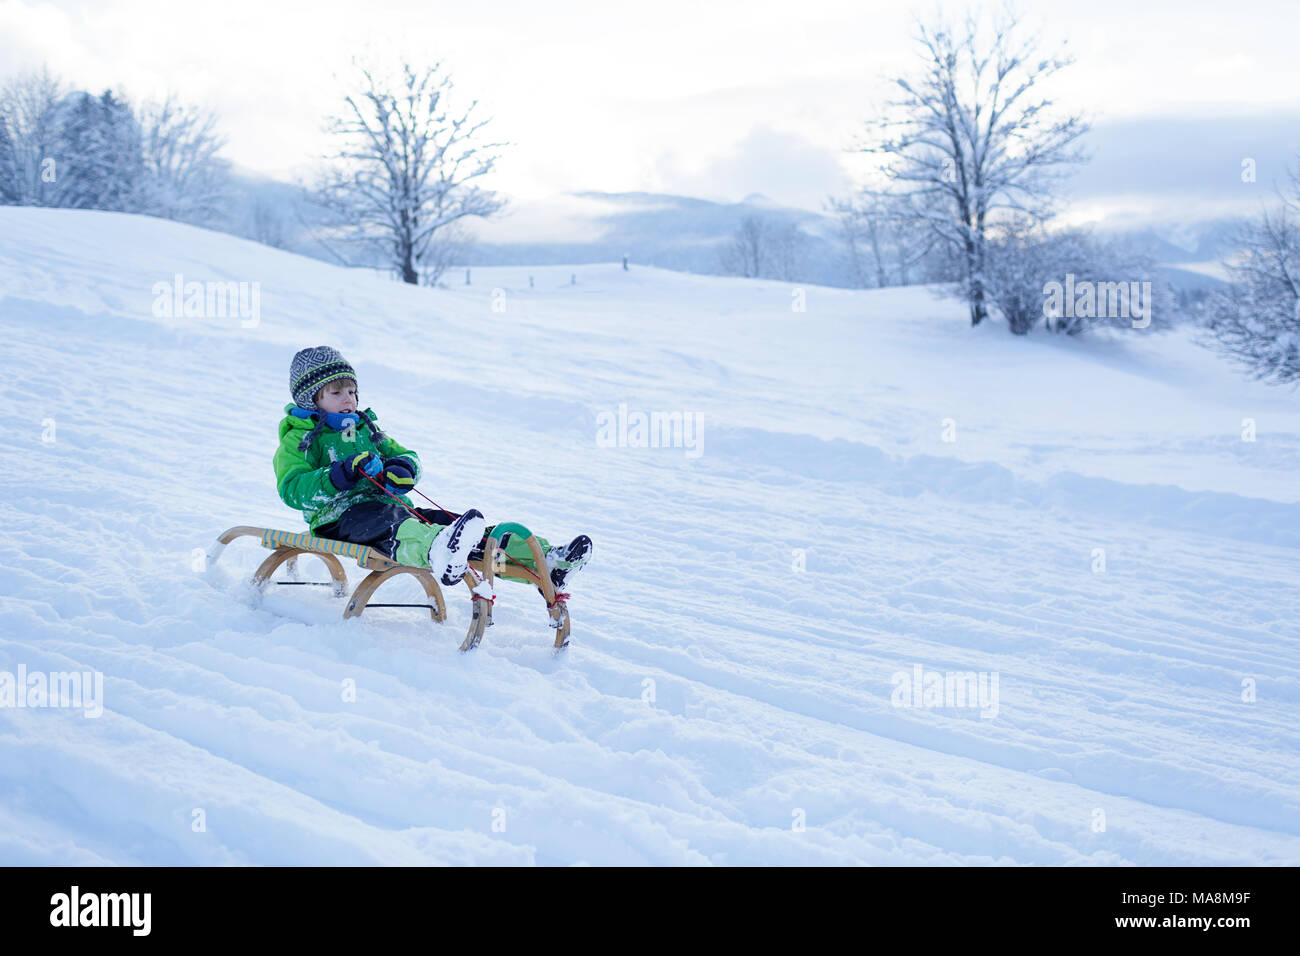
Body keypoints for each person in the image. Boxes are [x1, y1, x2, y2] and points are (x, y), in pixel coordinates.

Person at [273, 346, 591, 589]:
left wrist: (402, 469)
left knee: (455, 528)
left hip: (392, 508)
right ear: (311, 399)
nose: (349, 399)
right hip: (339, 519)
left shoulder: (366, 429)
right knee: (401, 527)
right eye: (337, 392)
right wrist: (338, 475)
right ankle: (438, 550)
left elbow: (408, 456)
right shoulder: (299, 440)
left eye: (352, 391)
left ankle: (544, 562)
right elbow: (292, 490)